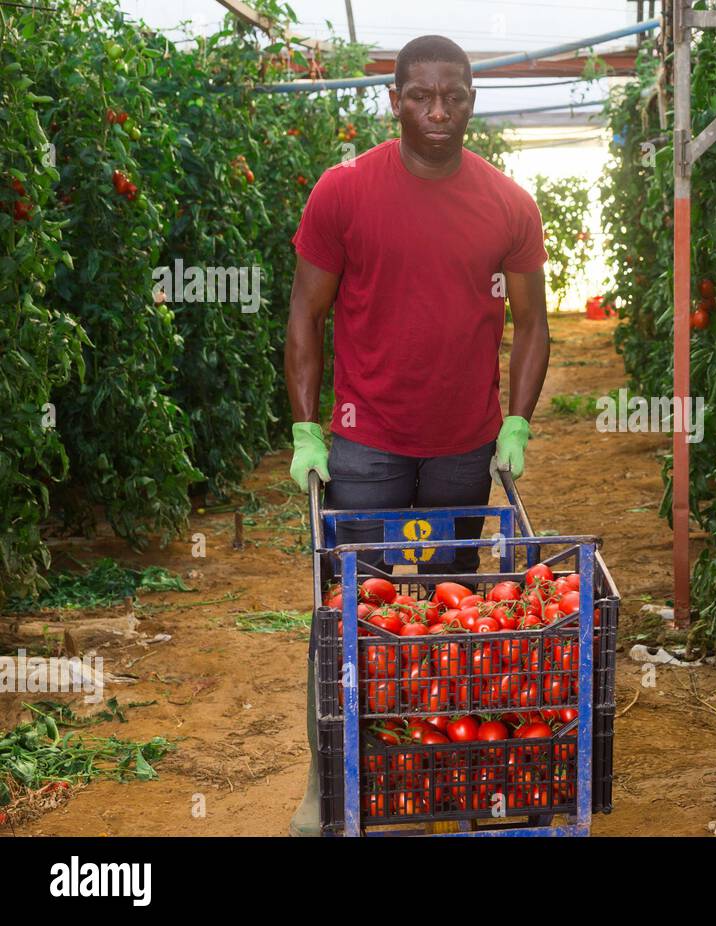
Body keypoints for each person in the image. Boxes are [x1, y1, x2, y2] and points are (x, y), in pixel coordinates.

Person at [282, 34, 550, 836]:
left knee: (449, 607)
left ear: (473, 100)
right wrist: (306, 428)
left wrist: (515, 421)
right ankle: (327, 776)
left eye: (455, 96)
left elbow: (533, 324)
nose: (439, 111)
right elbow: (305, 311)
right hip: (366, 441)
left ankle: (447, 767)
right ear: (393, 98)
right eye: (422, 96)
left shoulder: (507, 203)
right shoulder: (346, 190)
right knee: (346, 612)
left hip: (463, 443)